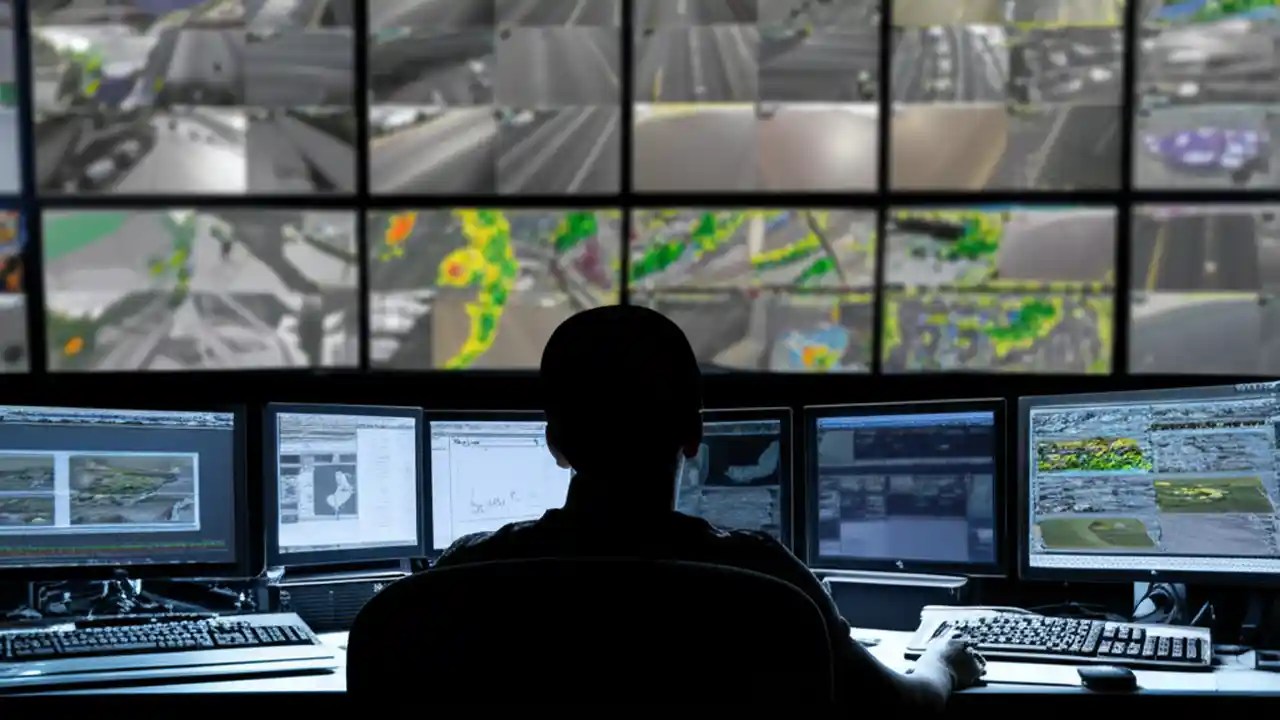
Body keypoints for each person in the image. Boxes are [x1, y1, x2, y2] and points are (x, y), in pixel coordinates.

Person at [433, 306, 985, 709]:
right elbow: (900, 713)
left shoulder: (463, 576)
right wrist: (941, 666)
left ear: (554, 444)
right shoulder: (765, 578)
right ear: (696, 434)